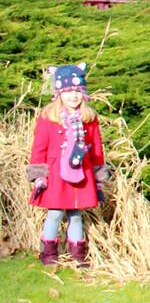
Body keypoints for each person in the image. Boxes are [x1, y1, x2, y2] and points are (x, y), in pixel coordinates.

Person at [25, 63, 109, 267]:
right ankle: (48, 255)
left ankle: (78, 257)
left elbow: (97, 149)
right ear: (59, 94)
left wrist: (99, 176)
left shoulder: (89, 118)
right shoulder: (48, 117)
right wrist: (39, 175)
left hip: (82, 172)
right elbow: (39, 148)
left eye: (77, 91)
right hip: (55, 174)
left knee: (76, 214)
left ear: (83, 93)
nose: (73, 96)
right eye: (68, 91)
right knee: (54, 213)